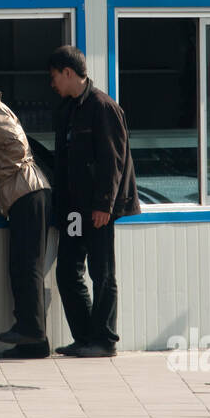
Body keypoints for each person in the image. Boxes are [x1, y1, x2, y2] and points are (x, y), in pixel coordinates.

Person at [48, 45, 141, 357]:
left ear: (69, 73)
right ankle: (86, 337)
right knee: (68, 271)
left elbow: (113, 161)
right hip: (74, 211)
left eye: (55, 78)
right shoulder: (68, 110)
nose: (53, 85)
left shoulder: (103, 107)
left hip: (97, 210)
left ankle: (104, 340)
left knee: (102, 272)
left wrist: (105, 205)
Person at [0, 91, 53, 359]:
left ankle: (32, 330)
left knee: (27, 266)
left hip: (28, 193)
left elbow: (16, 145)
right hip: (25, 194)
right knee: (22, 265)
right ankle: (34, 343)